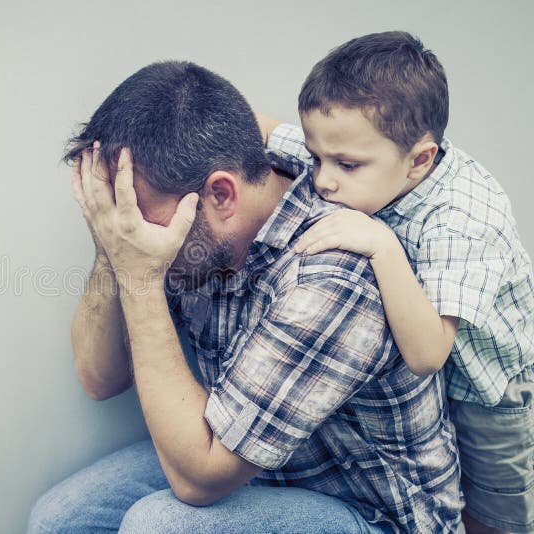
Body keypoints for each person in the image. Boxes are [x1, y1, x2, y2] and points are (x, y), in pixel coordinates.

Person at [27, 60, 462, 533]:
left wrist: (140, 275)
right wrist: (111, 247)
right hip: (266, 468)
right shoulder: (192, 232)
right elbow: (99, 377)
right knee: (62, 519)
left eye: (135, 215)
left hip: (375, 516)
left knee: (161, 526)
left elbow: (202, 480)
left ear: (221, 195)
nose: (129, 231)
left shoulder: (331, 273)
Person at [260, 31, 534, 534]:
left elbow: (429, 352)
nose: (322, 180)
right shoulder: (358, 147)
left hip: (487, 388)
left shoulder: (464, 219)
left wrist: (381, 245)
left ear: (420, 161)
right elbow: (261, 128)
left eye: (344, 165)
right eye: (317, 157)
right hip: (429, 384)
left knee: (494, 516)